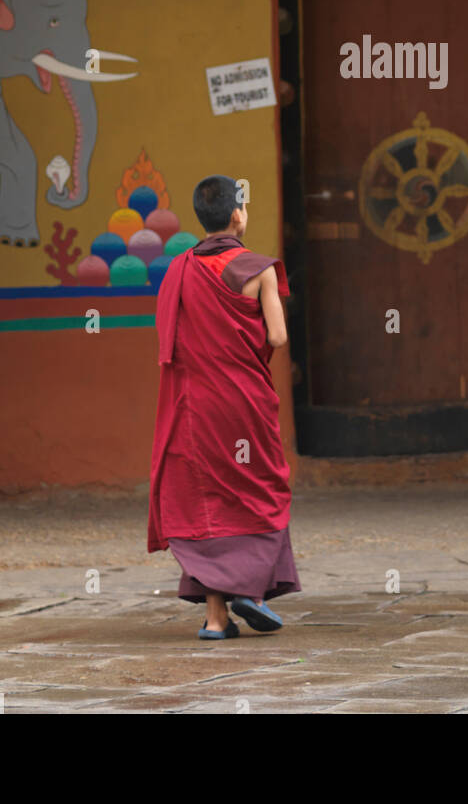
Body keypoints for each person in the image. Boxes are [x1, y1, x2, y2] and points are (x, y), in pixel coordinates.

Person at [147, 174, 300, 640]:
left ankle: (216, 619)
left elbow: (168, 337)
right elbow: (276, 336)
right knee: (258, 489)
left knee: (206, 499)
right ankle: (249, 592)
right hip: (244, 400)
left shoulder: (178, 269)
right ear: (237, 215)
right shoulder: (259, 268)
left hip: (196, 405)